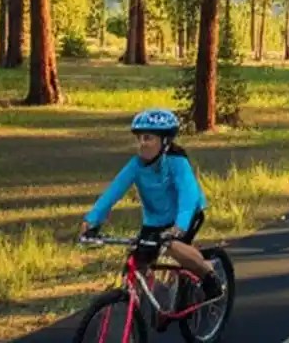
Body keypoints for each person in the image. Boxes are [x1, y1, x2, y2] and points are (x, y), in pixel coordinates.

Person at [80, 108, 224, 302]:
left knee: (172, 247)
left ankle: (210, 276)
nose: (142, 144)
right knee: (137, 262)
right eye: (139, 139)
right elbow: (114, 191)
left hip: (185, 215)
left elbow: (187, 195)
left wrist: (179, 227)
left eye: (148, 138)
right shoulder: (136, 165)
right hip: (155, 220)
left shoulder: (177, 162)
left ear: (164, 141)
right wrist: (92, 220)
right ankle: (135, 309)